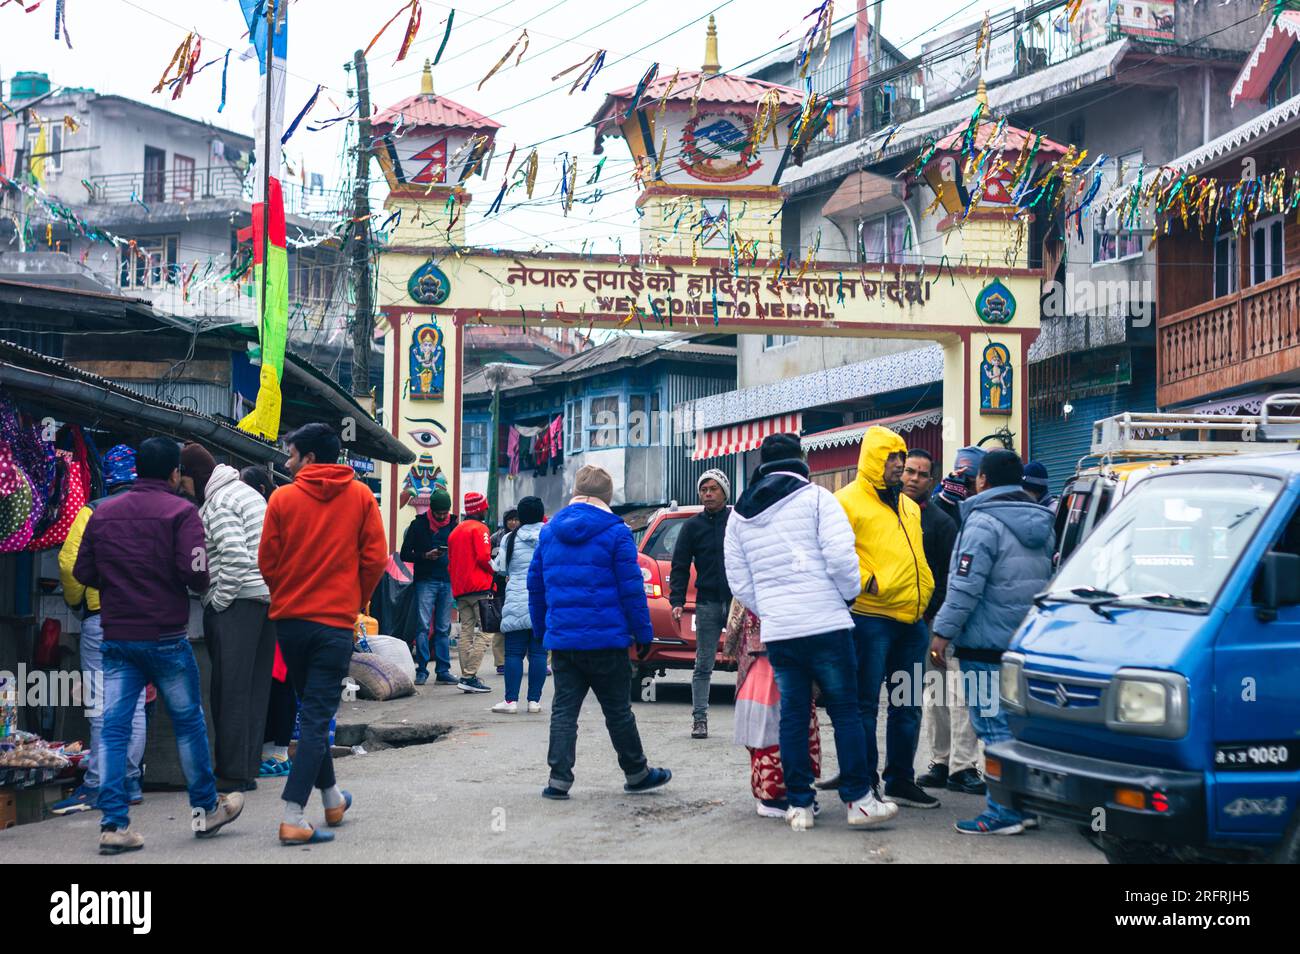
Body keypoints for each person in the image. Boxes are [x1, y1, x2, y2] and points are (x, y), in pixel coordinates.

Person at [73, 437, 243, 855]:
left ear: (135, 470)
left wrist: (122, 585)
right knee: (188, 722)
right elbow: (197, 573)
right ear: (173, 473)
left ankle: (113, 824)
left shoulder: (103, 512)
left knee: (112, 728)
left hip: (117, 637)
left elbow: (83, 571)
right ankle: (206, 810)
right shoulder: (182, 513)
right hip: (167, 637)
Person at [724, 433, 898, 831]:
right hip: (826, 625)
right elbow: (842, 561)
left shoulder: (739, 516)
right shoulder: (819, 499)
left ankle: (799, 804)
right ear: (800, 460)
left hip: (781, 631)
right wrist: (845, 597)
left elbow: (740, 583)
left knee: (794, 714)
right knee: (846, 711)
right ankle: (858, 800)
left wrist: (772, 609)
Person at [259, 423, 387, 846]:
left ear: (311, 458)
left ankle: (332, 799)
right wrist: (352, 601)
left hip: (291, 624)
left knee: (310, 712)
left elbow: (268, 561)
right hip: (333, 626)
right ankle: (294, 814)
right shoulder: (361, 497)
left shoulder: (282, 498)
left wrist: (287, 595)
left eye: (292, 454)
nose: (287, 462)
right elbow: (374, 560)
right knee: (316, 719)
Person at [529, 465, 671, 800]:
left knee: (564, 711)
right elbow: (631, 589)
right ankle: (637, 773)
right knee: (618, 710)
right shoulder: (617, 532)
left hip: (564, 642)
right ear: (607, 497)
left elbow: (535, 586)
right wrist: (643, 633)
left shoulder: (549, 533)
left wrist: (541, 631)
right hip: (607, 642)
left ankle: (559, 780)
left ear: (575, 492)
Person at [931, 450, 1055, 835]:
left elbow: (966, 587)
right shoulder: (1043, 522)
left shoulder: (983, 522)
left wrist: (941, 633)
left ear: (982, 480)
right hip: (1023, 644)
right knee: (1016, 728)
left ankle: (1003, 812)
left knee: (992, 728)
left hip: (983, 645)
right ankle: (1024, 805)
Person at [834, 426, 938, 810]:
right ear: (874, 459)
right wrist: (869, 582)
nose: (899, 465)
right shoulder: (845, 502)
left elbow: (916, 556)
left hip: (912, 620)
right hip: (870, 618)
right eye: (892, 458)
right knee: (865, 705)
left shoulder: (910, 506)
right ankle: (865, 783)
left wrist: (923, 592)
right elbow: (834, 555)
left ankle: (900, 780)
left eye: (901, 457)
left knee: (907, 704)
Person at [53, 445, 147, 816]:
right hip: (144, 621)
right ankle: (130, 781)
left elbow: (68, 562)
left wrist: (78, 603)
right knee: (135, 703)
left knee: (101, 704)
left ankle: (96, 784)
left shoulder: (93, 511)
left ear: (108, 476)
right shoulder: (157, 510)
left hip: (102, 618)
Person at [182, 443, 275, 794]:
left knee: (230, 690)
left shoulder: (219, 503)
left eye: (186, 481)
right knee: (253, 689)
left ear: (197, 476)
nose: (184, 489)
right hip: (264, 599)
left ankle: (233, 773)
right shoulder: (245, 493)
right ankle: (246, 769)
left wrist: (217, 602)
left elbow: (235, 556)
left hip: (238, 602)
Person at [904, 450, 983, 797]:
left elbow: (951, 577)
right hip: (910, 621)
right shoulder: (893, 515)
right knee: (931, 694)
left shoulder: (942, 520)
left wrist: (934, 613)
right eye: (909, 471)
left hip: (944, 619)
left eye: (921, 474)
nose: (913, 479)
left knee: (961, 693)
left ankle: (963, 766)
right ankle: (940, 762)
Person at [723, 598, 823, 819]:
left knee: (775, 718)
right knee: (777, 719)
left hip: (766, 642)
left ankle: (781, 792)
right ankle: (775, 795)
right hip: (775, 641)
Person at [669, 467, 732, 739]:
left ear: (724, 492)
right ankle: (699, 719)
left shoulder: (738, 521)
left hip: (738, 603)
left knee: (750, 662)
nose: (707, 494)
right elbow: (680, 565)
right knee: (703, 664)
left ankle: (752, 717)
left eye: (713, 489)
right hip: (706, 603)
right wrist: (677, 601)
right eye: (703, 490)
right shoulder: (692, 526)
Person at [490, 496, 546, 714]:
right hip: (542, 598)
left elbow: (501, 568)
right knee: (539, 654)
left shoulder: (509, 539)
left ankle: (511, 702)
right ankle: (534, 702)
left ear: (520, 516)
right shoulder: (549, 536)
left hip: (516, 598)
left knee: (513, 653)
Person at [398, 487, 458, 686]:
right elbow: (405, 554)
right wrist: (425, 556)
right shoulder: (418, 525)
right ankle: (422, 669)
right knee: (423, 626)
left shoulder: (454, 525)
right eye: (439, 513)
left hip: (447, 580)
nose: (443, 517)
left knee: (443, 628)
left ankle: (443, 670)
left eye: (445, 513)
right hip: (425, 580)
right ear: (431, 510)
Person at [447, 491, 495, 693]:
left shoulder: (454, 532)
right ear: (478, 509)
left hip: (461, 590)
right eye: (484, 506)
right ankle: (468, 676)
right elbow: (485, 557)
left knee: (466, 631)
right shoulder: (480, 529)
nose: (486, 509)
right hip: (480, 588)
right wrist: (496, 571)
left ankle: (468, 676)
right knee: (487, 631)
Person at [489, 510, 520, 674]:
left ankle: (539, 661)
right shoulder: (497, 538)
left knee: (525, 623)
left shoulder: (523, 536)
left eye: (516, 519)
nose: (513, 523)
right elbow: (491, 562)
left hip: (519, 584)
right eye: (510, 520)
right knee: (501, 623)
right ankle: (500, 661)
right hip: (501, 586)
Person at [932, 445, 986, 530]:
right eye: (960, 477)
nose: (965, 486)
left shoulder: (987, 501)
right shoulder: (943, 492)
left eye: (969, 481)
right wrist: (945, 501)